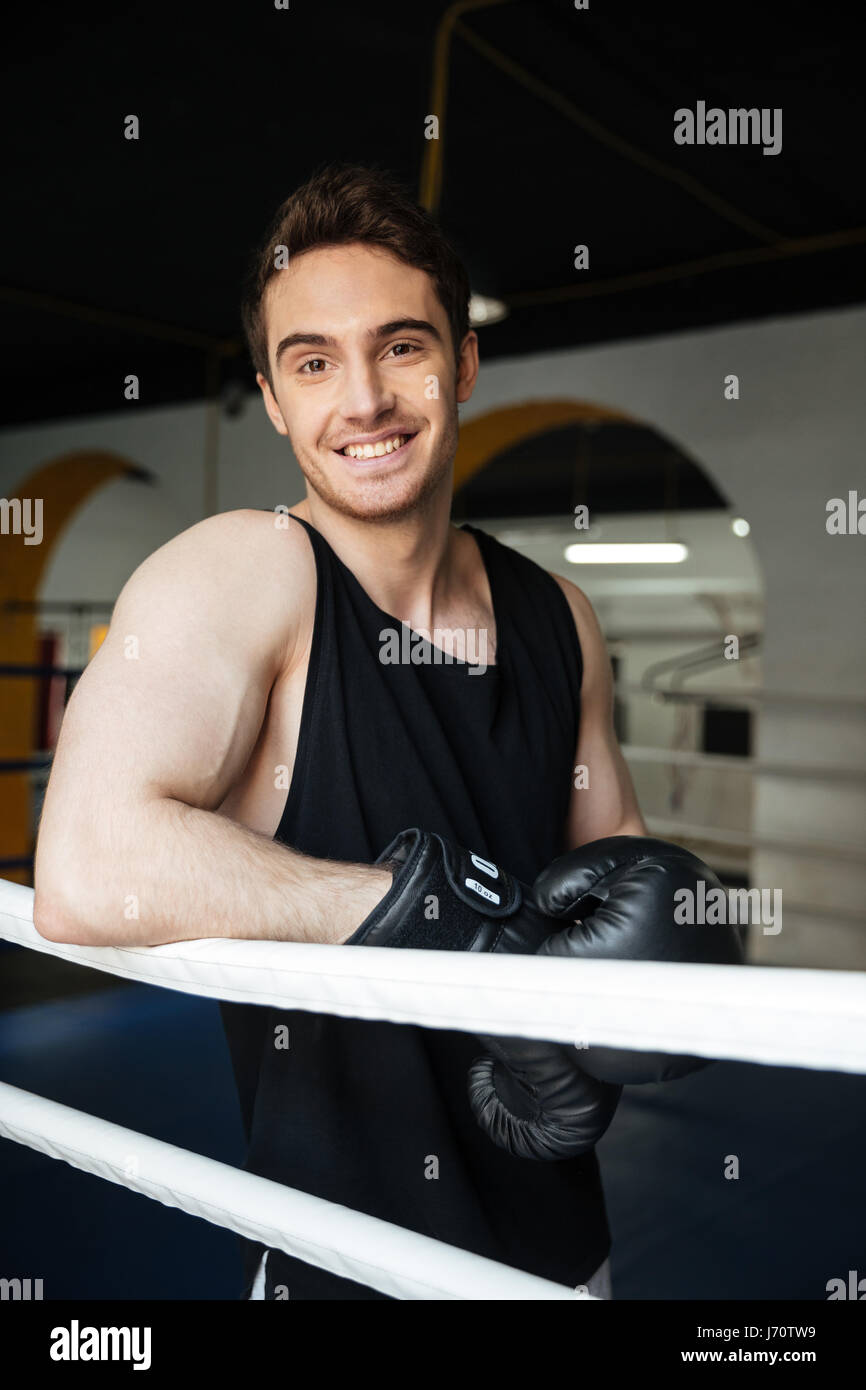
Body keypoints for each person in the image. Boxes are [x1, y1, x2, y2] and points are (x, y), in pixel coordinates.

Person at [33, 164, 681, 1300]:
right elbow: (85, 868)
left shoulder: (555, 617)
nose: (364, 400)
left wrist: (643, 1002)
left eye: (402, 346)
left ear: (462, 364)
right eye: (313, 361)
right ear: (274, 399)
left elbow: (611, 871)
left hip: (564, 1262)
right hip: (340, 1267)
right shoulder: (249, 575)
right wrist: (414, 915)